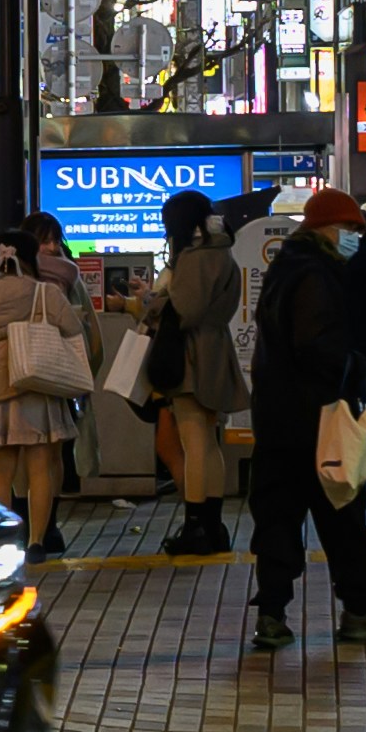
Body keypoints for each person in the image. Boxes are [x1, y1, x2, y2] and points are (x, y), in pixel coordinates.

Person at [230, 179, 366, 654]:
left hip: (276, 417)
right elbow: (317, 344)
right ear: (326, 228)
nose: (354, 237)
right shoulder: (317, 275)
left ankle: (272, 614)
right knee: (343, 514)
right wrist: (353, 368)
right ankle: (361, 609)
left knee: (278, 518)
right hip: (317, 417)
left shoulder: (286, 268)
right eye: (349, 228)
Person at [0, 217, 87, 552]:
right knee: (40, 470)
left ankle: (4, 542)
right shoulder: (44, 293)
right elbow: (72, 331)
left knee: (0, 474)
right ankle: (38, 541)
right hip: (36, 390)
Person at [150, 200, 247, 555]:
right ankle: (214, 526)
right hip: (218, 349)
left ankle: (195, 528)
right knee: (210, 441)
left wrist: (153, 301)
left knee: (193, 443)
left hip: (189, 354)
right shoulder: (225, 253)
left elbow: (185, 309)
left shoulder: (193, 257)